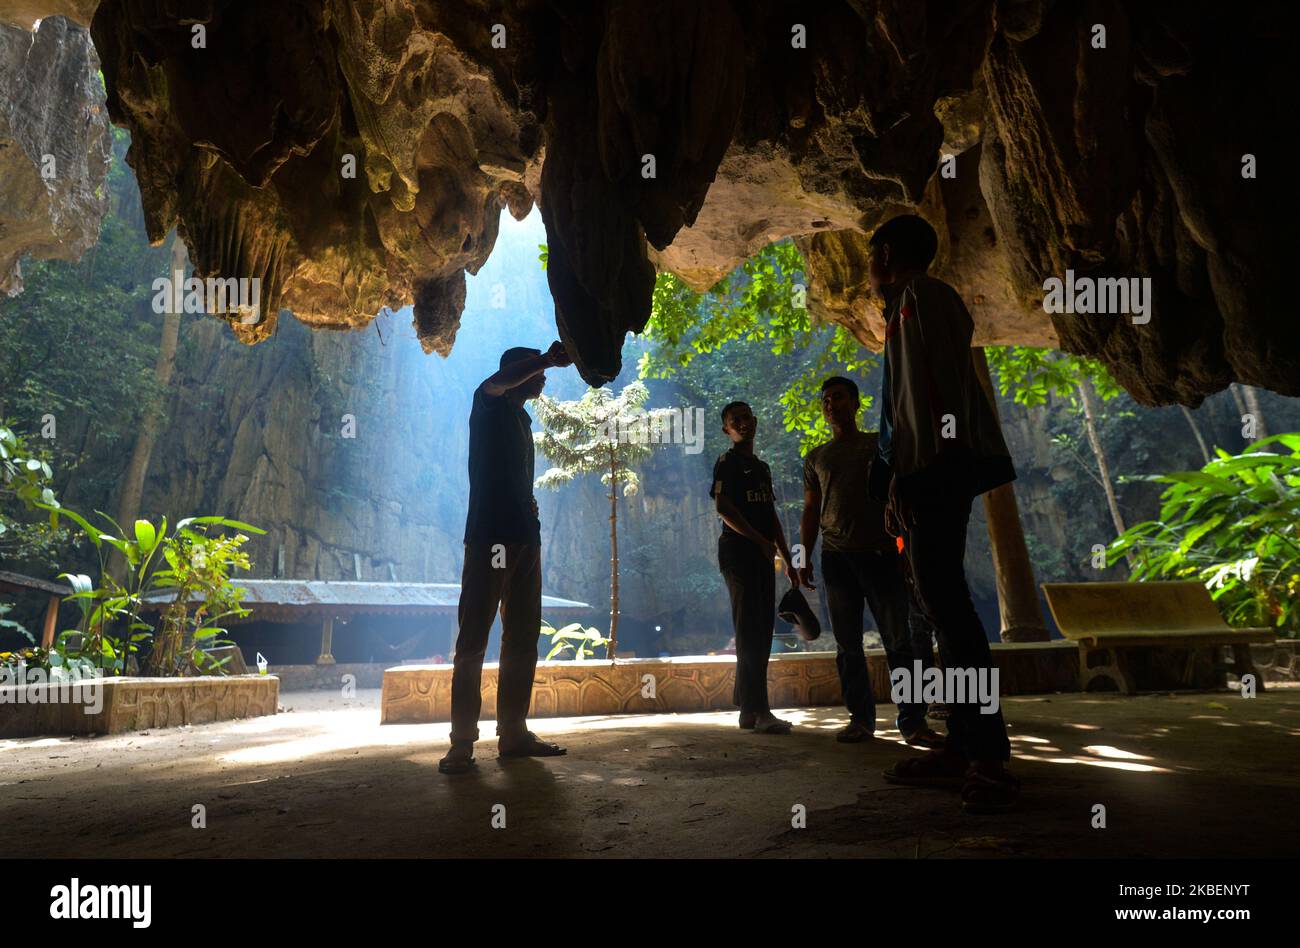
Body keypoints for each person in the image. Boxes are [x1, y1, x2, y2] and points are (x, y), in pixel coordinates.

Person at [867, 213, 1020, 812]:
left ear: (886, 252)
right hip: (927, 468)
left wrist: (916, 474)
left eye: (871, 254)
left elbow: (935, 398)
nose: (867, 266)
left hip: (935, 469)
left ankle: (988, 757)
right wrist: (894, 478)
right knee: (939, 605)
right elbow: (905, 403)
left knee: (950, 612)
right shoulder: (911, 305)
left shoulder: (921, 300)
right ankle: (964, 741)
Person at [440, 341, 573, 775]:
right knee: (474, 639)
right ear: (517, 370)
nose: (544, 377)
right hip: (489, 540)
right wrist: (548, 357)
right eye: (535, 370)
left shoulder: (520, 419)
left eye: (544, 368)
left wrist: (529, 510)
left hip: (524, 540)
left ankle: (513, 734)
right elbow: (497, 383)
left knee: (521, 637)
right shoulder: (488, 403)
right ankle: (461, 743)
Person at [798, 376, 945, 748]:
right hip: (836, 559)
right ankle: (860, 720)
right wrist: (802, 556)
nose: (832, 404)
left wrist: (909, 554)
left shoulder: (879, 445)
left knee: (899, 643)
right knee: (848, 646)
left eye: (839, 397)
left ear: (856, 402)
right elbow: (811, 510)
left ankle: (913, 721)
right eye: (826, 400)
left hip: (881, 554)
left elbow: (901, 498)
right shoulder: (816, 457)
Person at [711, 401, 799, 734]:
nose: (743, 423)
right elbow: (723, 507)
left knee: (760, 630)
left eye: (747, 417)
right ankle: (760, 711)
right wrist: (757, 541)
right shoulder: (727, 462)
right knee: (749, 630)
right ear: (727, 430)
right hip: (738, 554)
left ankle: (748, 711)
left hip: (763, 555)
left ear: (755, 421)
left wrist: (787, 559)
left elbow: (771, 516)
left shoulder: (762, 468)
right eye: (736, 420)